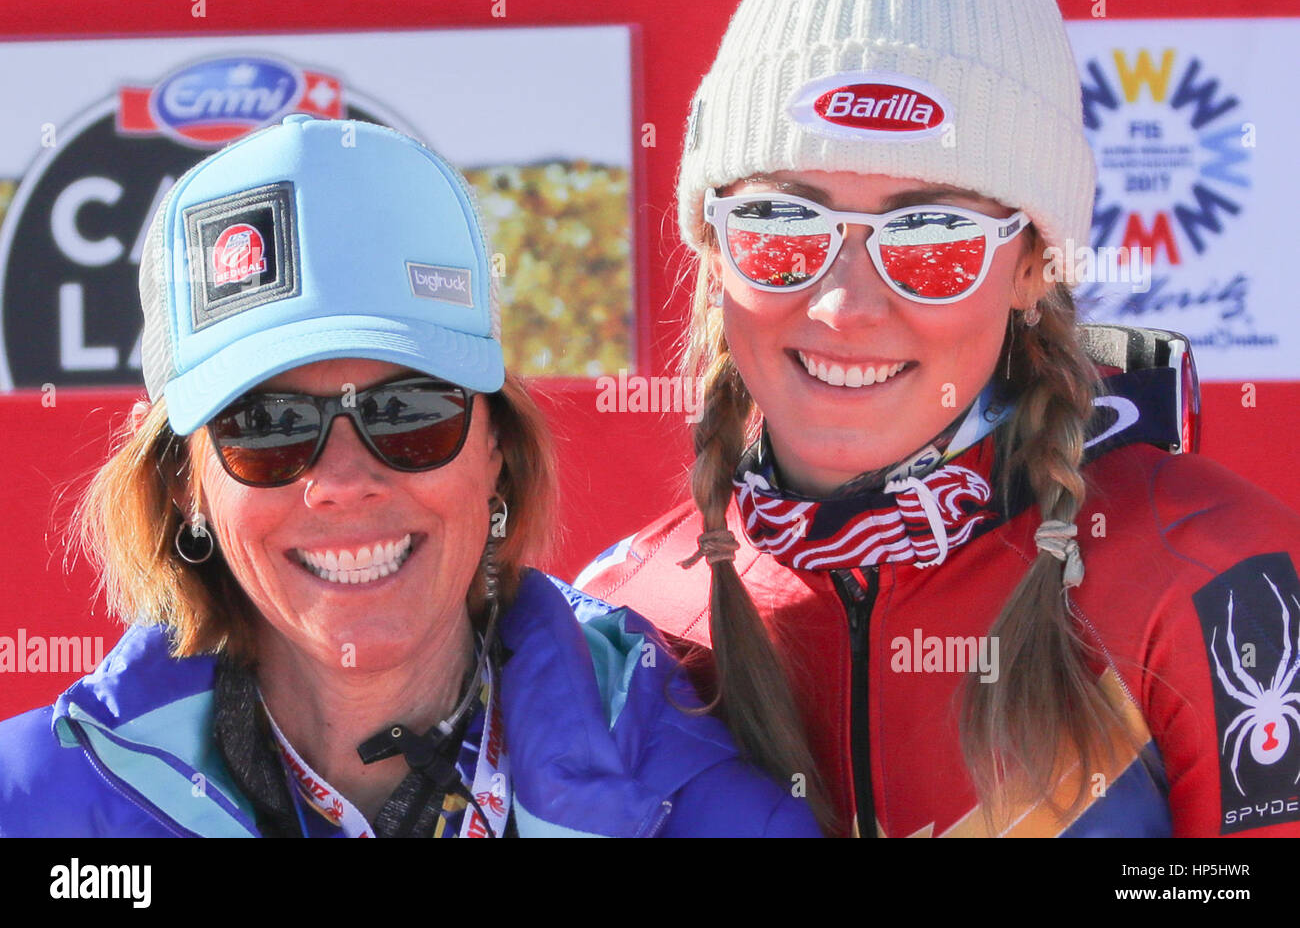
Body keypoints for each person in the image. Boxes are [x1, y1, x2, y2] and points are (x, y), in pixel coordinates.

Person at [577, 0, 1300, 837]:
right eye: (783, 224)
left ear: (1033, 263)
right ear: (716, 249)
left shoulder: (1219, 578)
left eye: (932, 235)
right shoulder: (625, 622)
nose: (845, 305)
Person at [0, 115, 819, 838]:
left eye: (409, 414)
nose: (344, 480)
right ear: (185, 483)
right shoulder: (33, 809)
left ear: (498, 448)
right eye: (270, 429)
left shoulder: (699, 806)